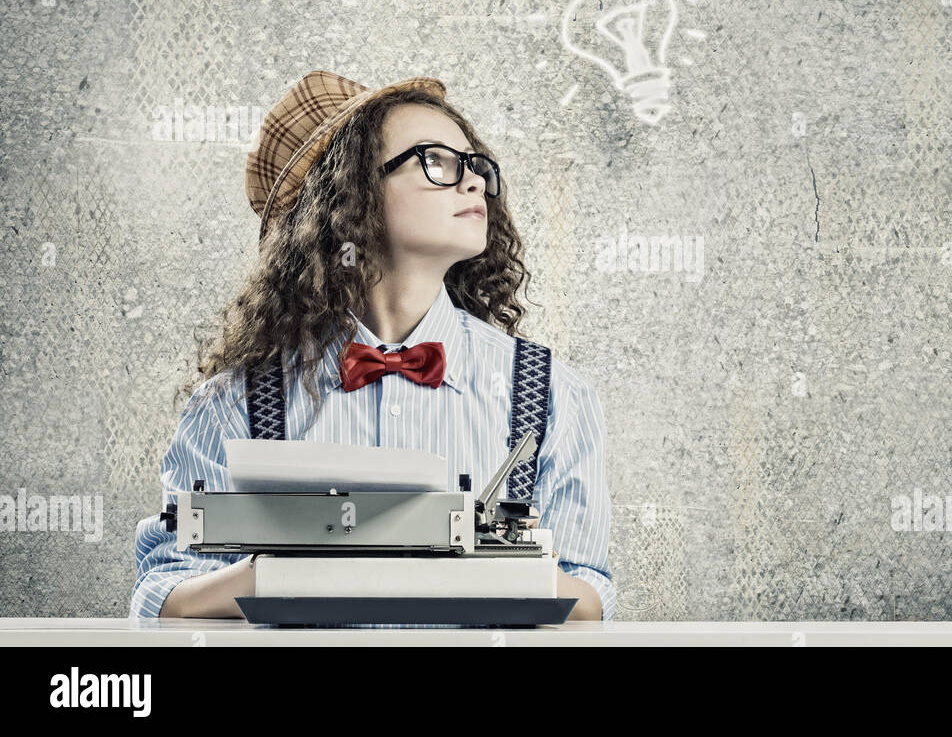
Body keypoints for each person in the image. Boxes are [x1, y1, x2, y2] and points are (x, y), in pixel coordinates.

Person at [130, 70, 614, 623]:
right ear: (349, 198)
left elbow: (589, 599)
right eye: (436, 161)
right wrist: (277, 575)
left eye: (476, 165)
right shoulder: (233, 402)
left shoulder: (553, 395)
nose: (474, 182)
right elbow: (160, 594)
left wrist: (490, 563)